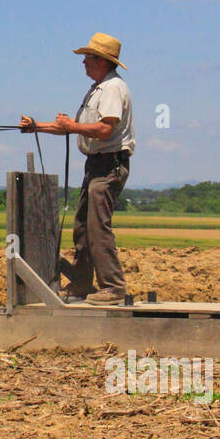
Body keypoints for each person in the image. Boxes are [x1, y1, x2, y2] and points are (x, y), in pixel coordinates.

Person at [19, 32, 135, 305]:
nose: (84, 62)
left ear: (104, 61)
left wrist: (71, 127)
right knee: (83, 227)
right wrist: (38, 126)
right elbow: (77, 129)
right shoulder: (99, 89)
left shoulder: (112, 89)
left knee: (97, 227)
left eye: (89, 57)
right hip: (97, 164)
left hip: (109, 164)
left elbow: (105, 129)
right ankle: (82, 284)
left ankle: (114, 288)